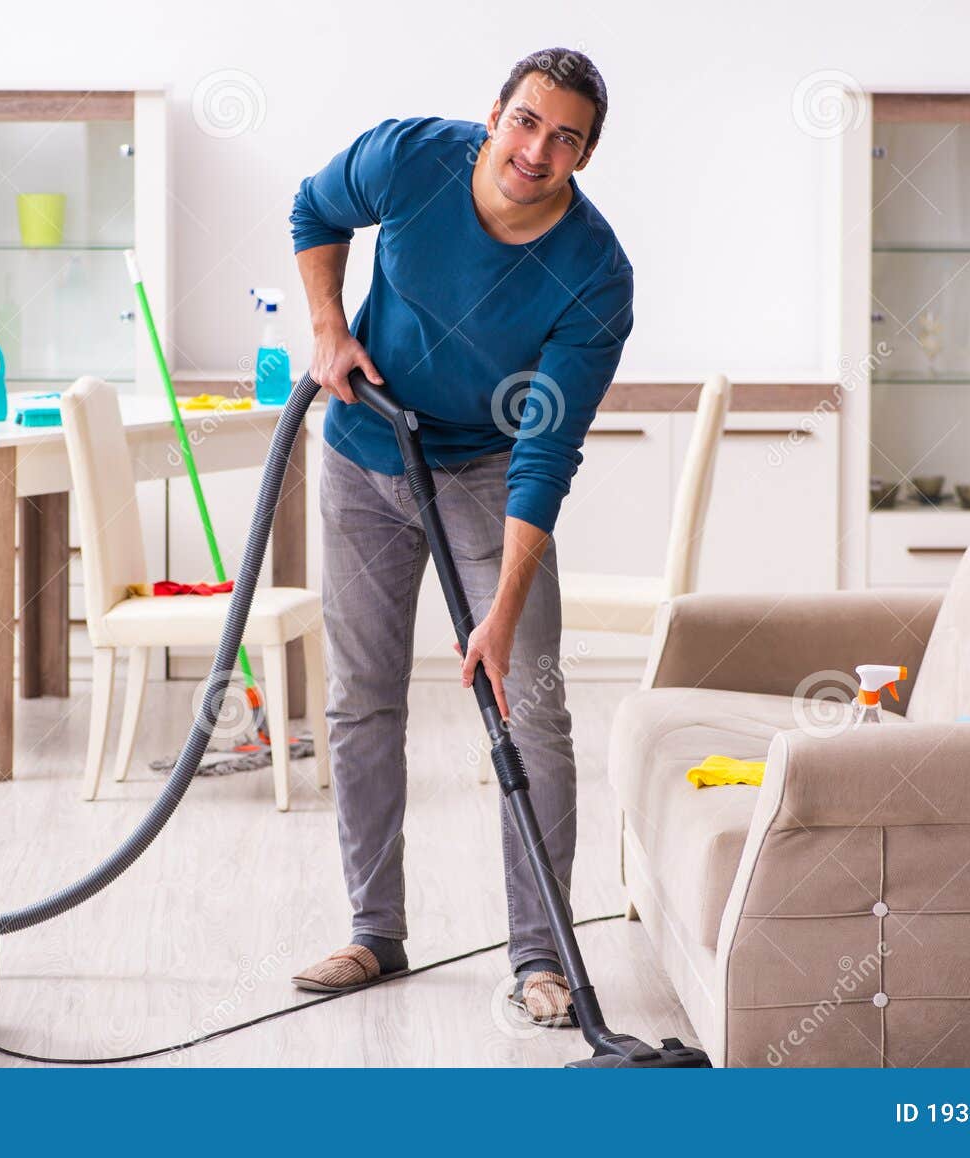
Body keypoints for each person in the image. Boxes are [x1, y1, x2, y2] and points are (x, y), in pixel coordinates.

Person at [286, 47, 633, 1028]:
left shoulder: (594, 277)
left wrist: (502, 614)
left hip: (486, 475)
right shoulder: (408, 159)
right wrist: (326, 325)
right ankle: (374, 934)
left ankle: (541, 958)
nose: (537, 149)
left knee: (534, 708)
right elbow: (314, 210)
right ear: (495, 115)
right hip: (364, 452)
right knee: (360, 700)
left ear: (584, 155)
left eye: (565, 137)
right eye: (527, 121)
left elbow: (546, 454)